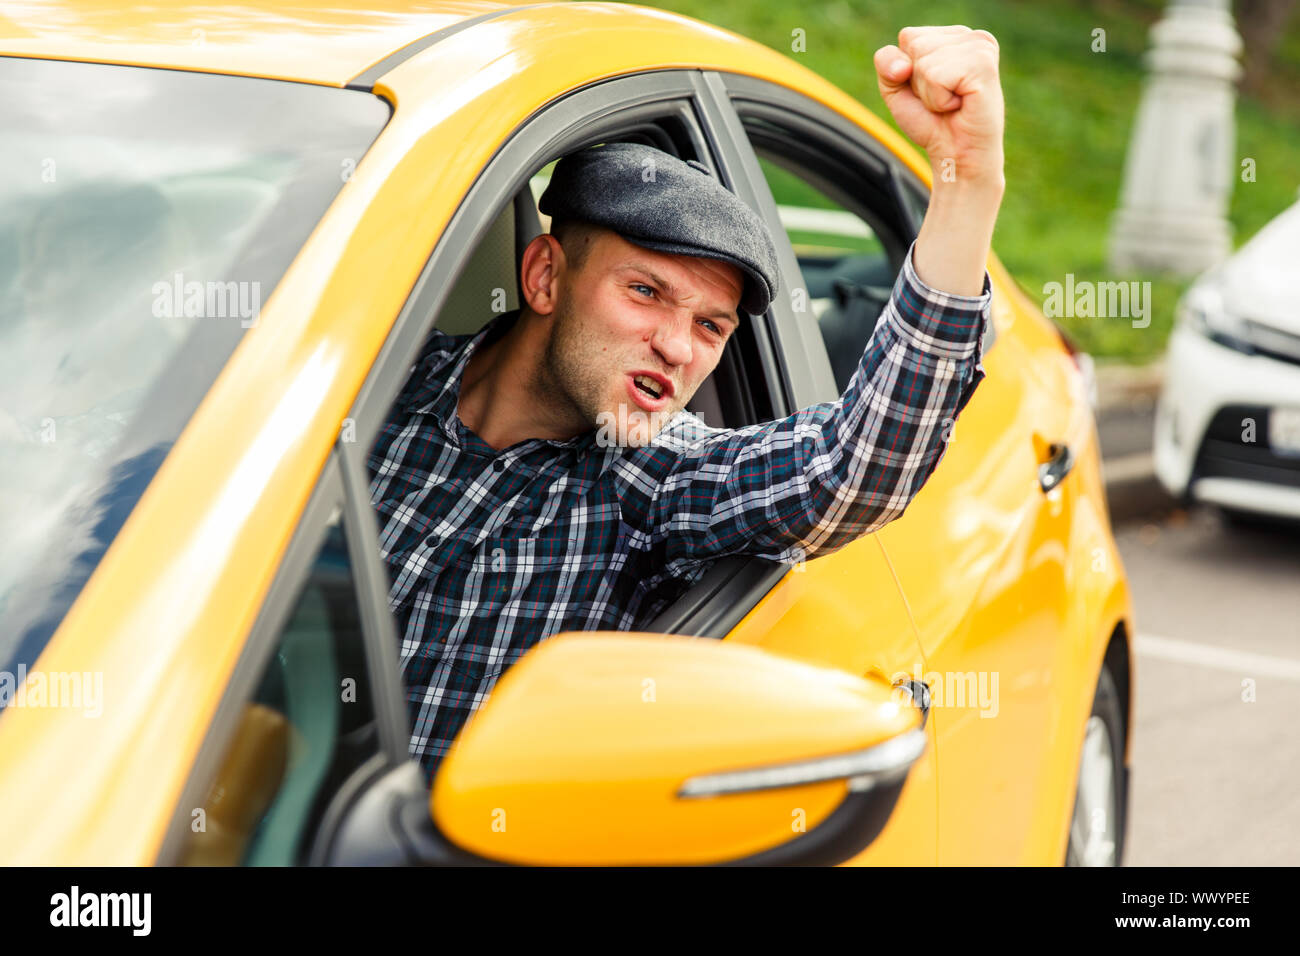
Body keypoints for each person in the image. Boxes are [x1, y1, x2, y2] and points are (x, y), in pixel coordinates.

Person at [366, 25, 1006, 782]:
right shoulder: (367, 397)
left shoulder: (655, 479)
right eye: (645, 293)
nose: (679, 349)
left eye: (711, 326)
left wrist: (967, 183)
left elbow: (853, 467)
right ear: (543, 277)